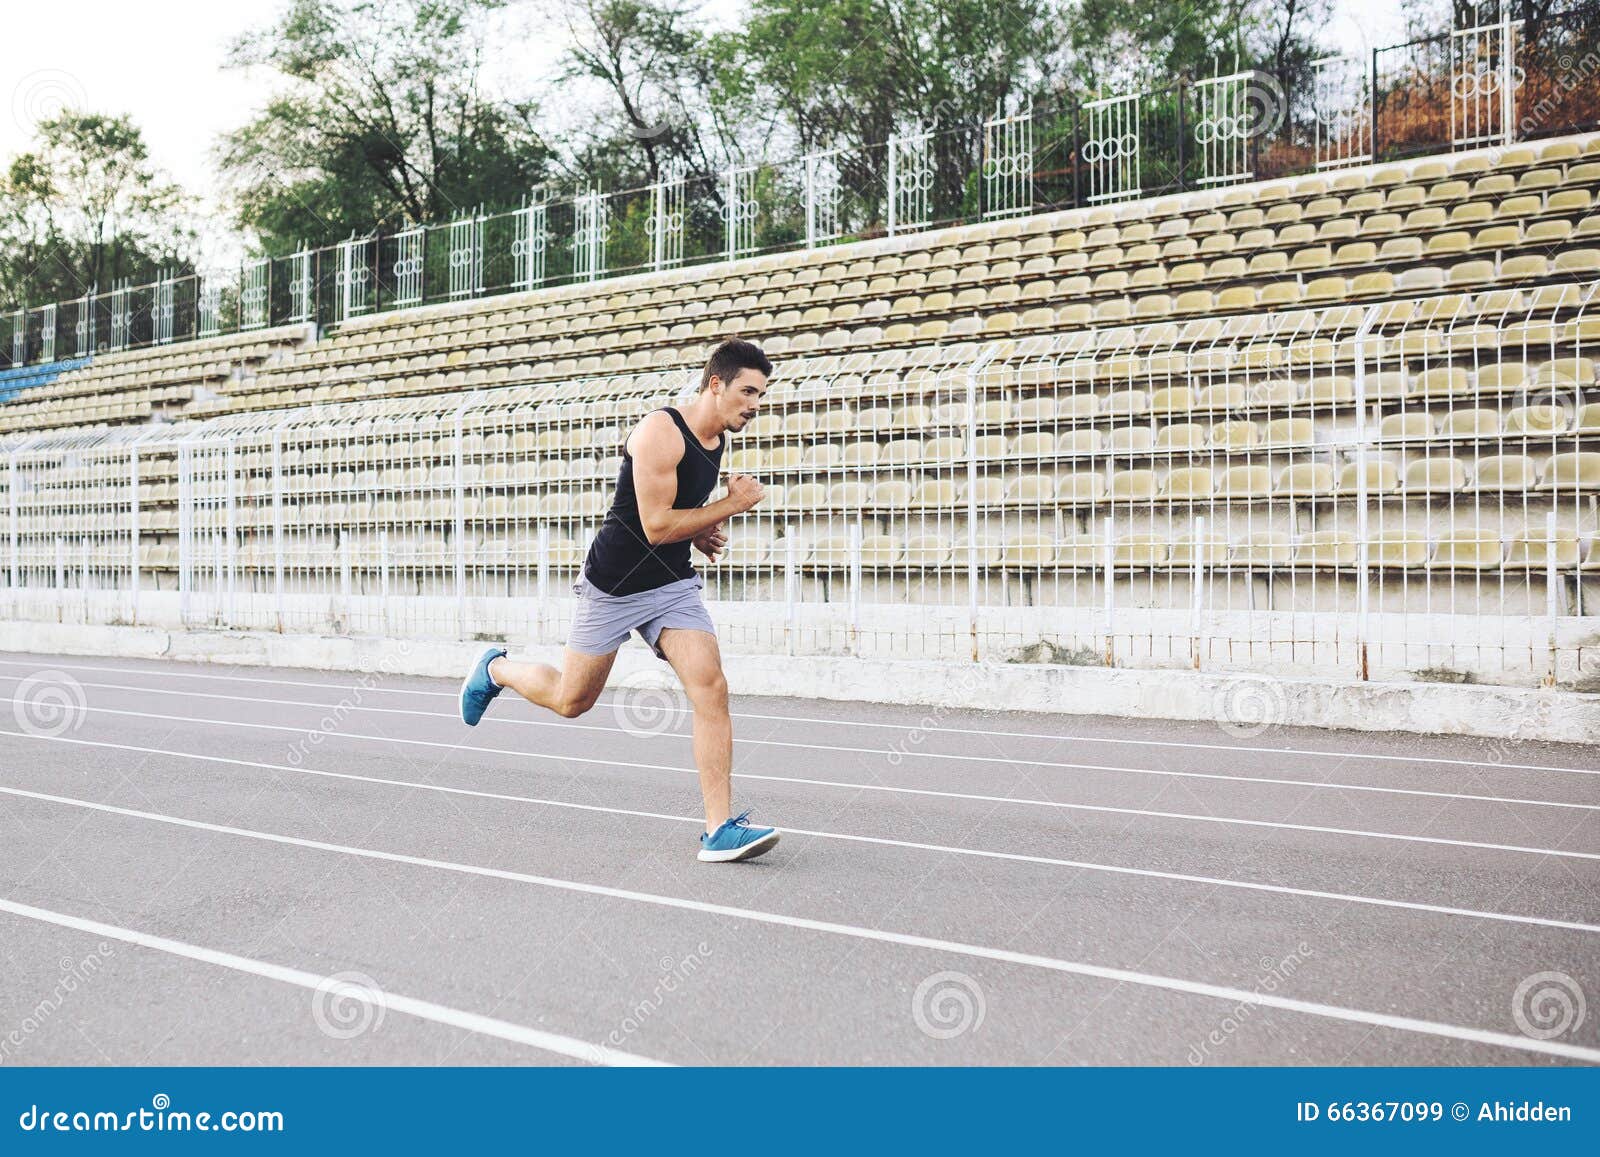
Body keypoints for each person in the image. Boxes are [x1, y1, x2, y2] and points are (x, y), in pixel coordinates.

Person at [458, 338, 780, 862]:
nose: (754, 405)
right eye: (747, 391)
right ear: (715, 384)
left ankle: (719, 828)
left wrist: (698, 532)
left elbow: (669, 513)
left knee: (711, 687)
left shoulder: (717, 440)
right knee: (571, 700)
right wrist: (728, 506)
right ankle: (495, 669)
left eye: (761, 395)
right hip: (615, 585)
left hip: (672, 586)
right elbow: (653, 525)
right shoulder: (660, 431)